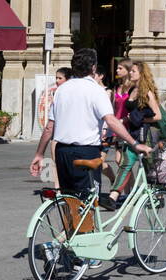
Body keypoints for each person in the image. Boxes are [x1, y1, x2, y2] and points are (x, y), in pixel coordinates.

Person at [29, 48, 149, 211]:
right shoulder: (96, 91)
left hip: (62, 151)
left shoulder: (61, 90)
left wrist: (39, 154)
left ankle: (71, 233)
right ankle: (80, 233)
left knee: (69, 199)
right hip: (86, 151)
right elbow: (111, 120)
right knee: (88, 202)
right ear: (93, 67)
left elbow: (50, 127)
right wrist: (134, 143)